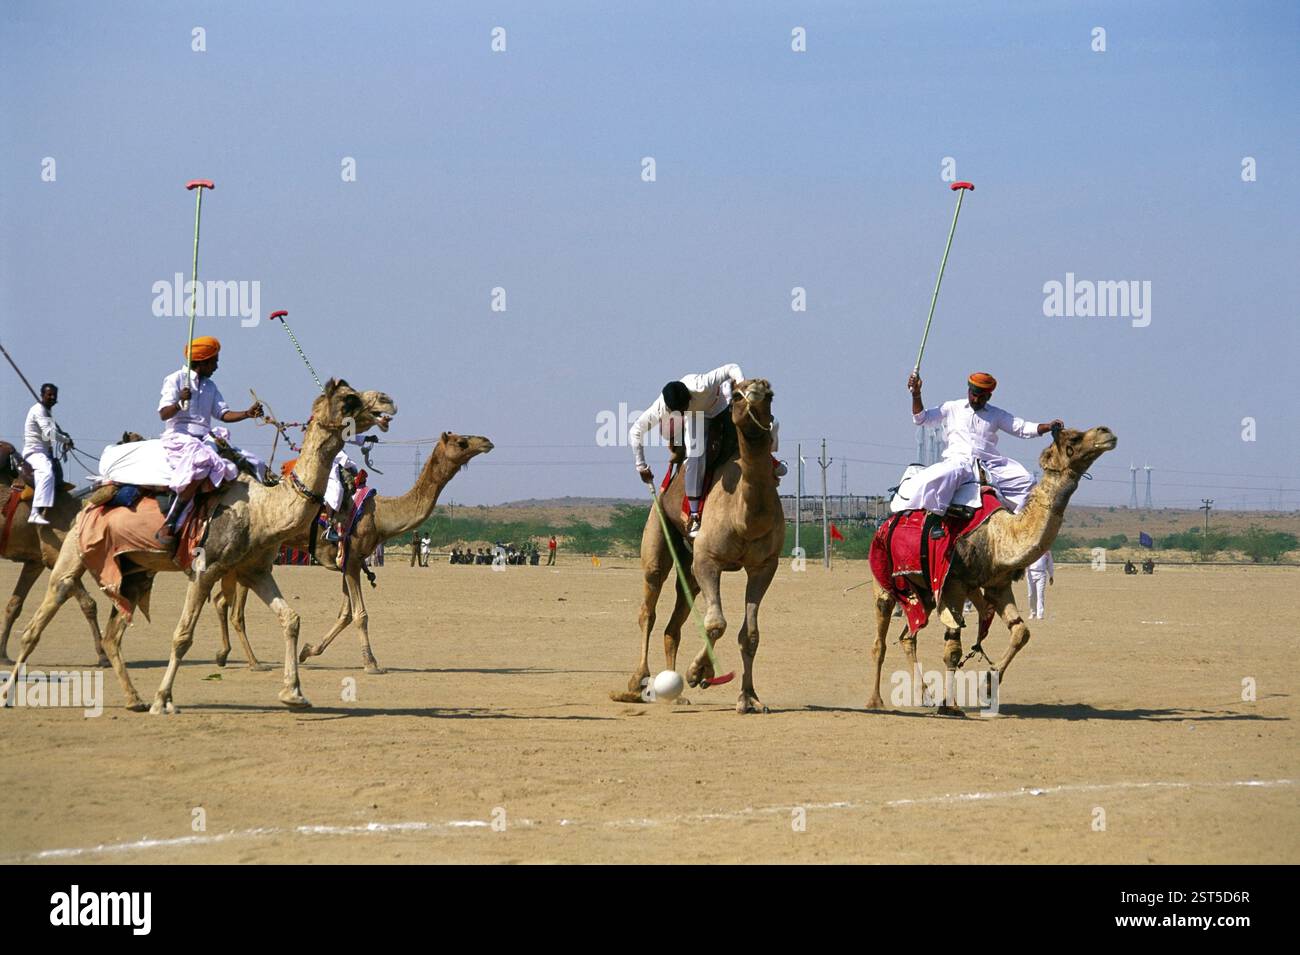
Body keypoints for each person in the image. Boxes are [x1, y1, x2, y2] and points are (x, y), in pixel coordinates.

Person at [631, 363, 781, 539]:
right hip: (697, 417)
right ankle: (694, 515)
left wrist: (741, 383)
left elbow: (731, 368)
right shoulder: (662, 406)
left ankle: (770, 461)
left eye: (682, 407)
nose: (678, 412)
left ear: (689, 397)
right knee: (695, 456)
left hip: (722, 404)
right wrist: (641, 466)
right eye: (676, 411)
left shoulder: (700, 384)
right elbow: (636, 430)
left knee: (771, 423)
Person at [905, 371, 1062, 531]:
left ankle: (1018, 527)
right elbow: (921, 419)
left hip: (989, 465)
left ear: (989, 397)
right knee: (941, 475)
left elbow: (1021, 428)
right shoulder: (952, 407)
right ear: (968, 391)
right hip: (960, 462)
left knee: (1027, 482)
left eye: (981, 397)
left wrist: (1048, 426)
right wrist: (916, 394)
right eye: (973, 395)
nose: (976, 399)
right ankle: (935, 519)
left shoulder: (996, 414)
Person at [157, 337, 263, 542]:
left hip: (205, 438)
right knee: (202, 465)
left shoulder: (210, 386)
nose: (216, 366)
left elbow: (223, 414)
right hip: (180, 438)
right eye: (213, 361)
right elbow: (164, 414)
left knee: (253, 462)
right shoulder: (175, 379)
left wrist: (247, 414)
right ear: (202, 362)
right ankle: (171, 522)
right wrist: (180, 402)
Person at [22, 383, 73, 525]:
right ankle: (35, 512)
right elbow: (49, 433)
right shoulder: (38, 410)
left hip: (44, 453)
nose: (52, 397)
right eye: (49, 394)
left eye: (54, 395)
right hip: (34, 453)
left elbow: (47, 437)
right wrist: (66, 439)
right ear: (42, 395)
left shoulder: (47, 412)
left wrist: (62, 436)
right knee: (46, 474)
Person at [1026, 549, 1054, 620]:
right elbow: (1025, 560)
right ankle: (1033, 613)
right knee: (1031, 595)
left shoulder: (1047, 551)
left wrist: (1051, 575)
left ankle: (1040, 614)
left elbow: (1050, 564)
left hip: (1042, 574)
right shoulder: (1031, 549)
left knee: (1040, 594)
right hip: (1030, 573)